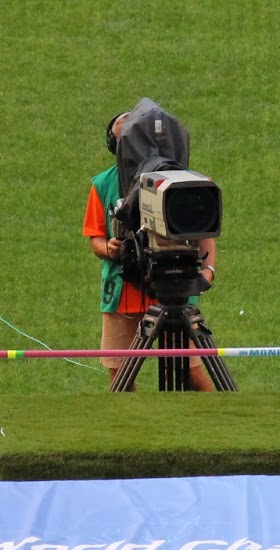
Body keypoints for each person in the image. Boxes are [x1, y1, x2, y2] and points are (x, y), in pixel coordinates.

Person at [82, 110, 218, 391]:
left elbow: (205, 235)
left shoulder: (182, 181)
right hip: (122, 295)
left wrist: (208, 271)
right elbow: (95, 238)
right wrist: (108, 248)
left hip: (174, 290)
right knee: (121, 376)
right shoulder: (101, 184)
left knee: (190, 372)